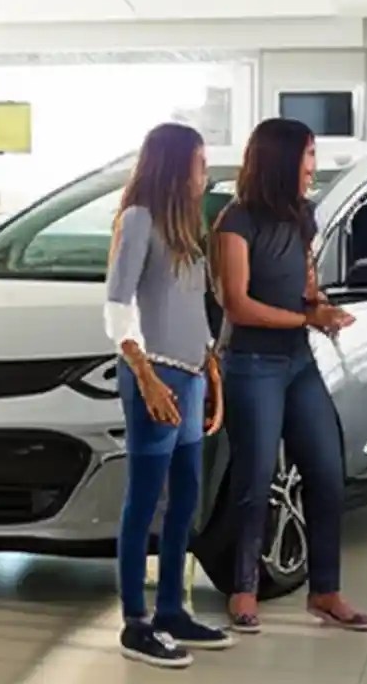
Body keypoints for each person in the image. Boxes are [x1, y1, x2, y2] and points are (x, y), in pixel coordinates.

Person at [213, 117, 367, 634]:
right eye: (308, 155)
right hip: (252, 366)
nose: (314, 166)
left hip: (298, 362)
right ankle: (244, 590)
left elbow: (305, 281)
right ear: (282, 159)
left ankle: (325, 591)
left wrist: (321, 306)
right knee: (254, 478)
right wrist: (310, 318)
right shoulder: (234, 222)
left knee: (327, 473)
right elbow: (237, 305)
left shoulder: (303, 215)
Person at [106, 122, 233, 669]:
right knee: (145, 503)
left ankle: (171, 610)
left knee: (185, 500)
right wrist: (146, 376)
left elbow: (188, 304)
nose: (205, 175)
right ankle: (136, 621)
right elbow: (117, 307)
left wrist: (210, 365)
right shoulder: (138, 220)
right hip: (154, 378)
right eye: (201, 164)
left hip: (191, 374)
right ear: (176, 165)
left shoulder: (187, 229)